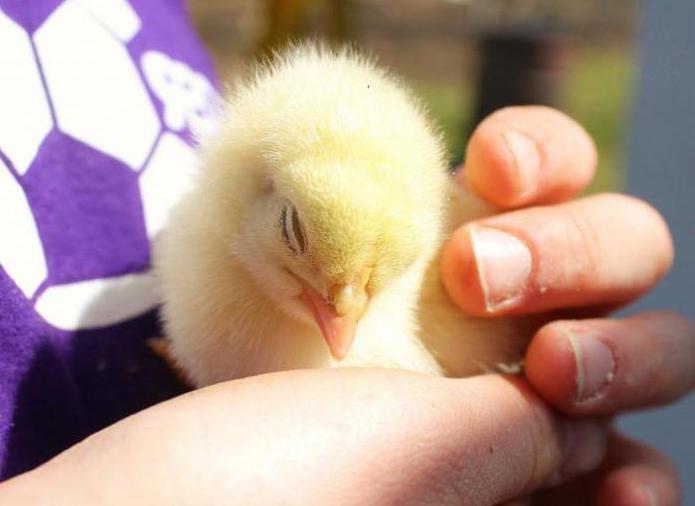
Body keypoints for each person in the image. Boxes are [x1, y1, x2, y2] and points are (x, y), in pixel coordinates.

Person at [0, 2, 692, 505]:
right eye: (296, 234)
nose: (345, 323)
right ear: (249, 181)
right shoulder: (238, 203)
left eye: (374, 285)